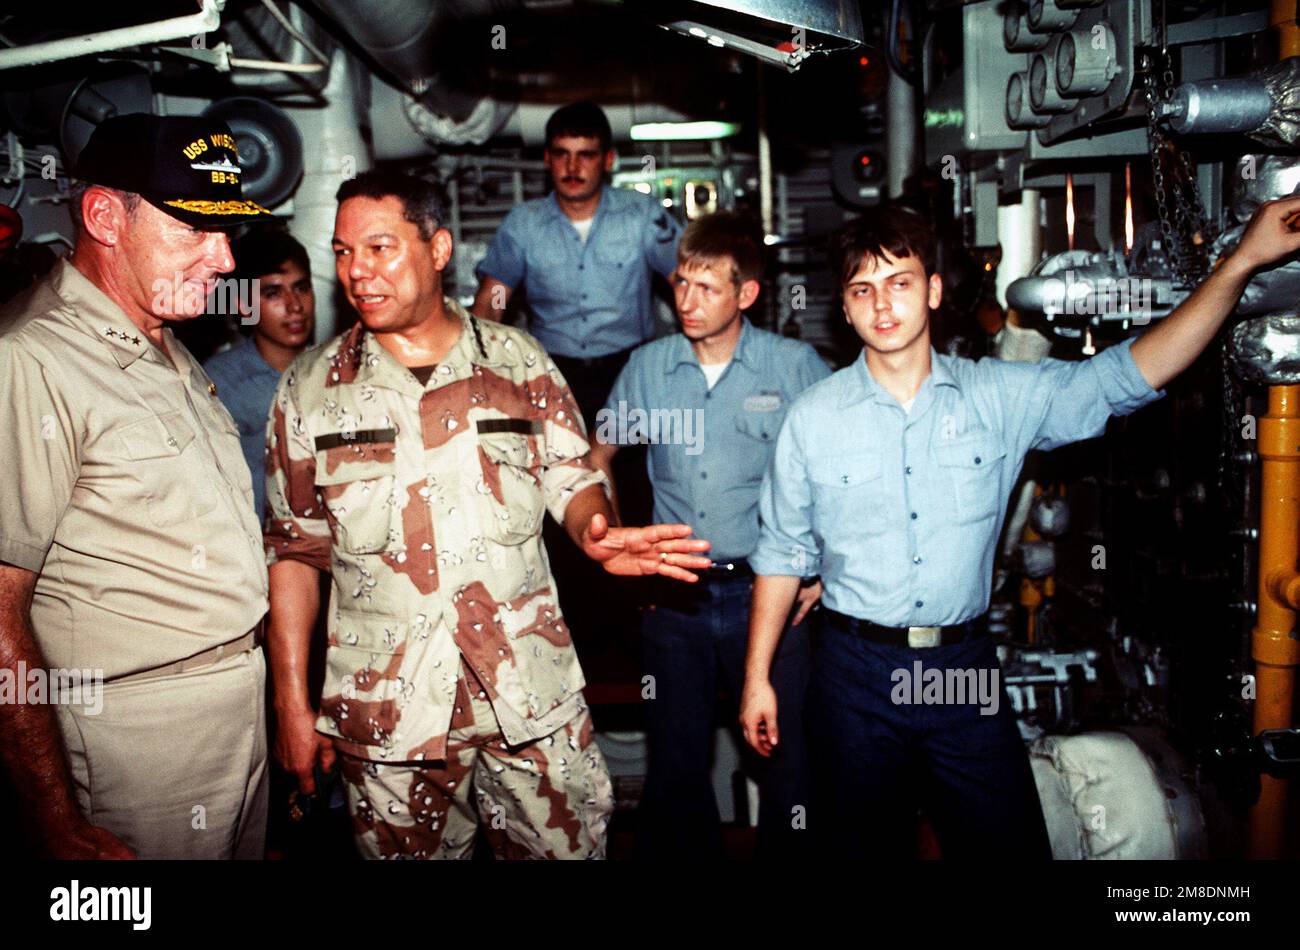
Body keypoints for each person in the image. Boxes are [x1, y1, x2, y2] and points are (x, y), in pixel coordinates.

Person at [740, 199, 1300, 859]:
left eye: (900, 282)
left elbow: (1129, 374)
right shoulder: (812, 419)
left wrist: (1239, 265)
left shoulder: (1000, 397)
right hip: (855, 673)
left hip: (961, 669)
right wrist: (757, 677)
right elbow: (781, 555)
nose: (882, 304)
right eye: (863, 289)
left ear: (934, 290)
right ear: (844, 305)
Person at [264, 169, 711, 859]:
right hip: (389, 717)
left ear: (438, 249)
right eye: (344, 253)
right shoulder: (310, 390)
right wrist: (292, 706)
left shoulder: (518, 363)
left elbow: (572, 475)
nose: (358, 272)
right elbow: (294, 552)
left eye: (379, 248)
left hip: (527, 695)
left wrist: (597, 531)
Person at [0, 113, 274, 859]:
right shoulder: (32, 360)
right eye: (193, 229)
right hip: (139, 736)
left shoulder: (163, 341)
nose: (223, 259)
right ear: (102, 217)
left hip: (234, 708)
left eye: (227, 233)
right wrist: (52, 817)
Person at [591, 212, 829, 858]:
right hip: (676, 597)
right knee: (674, 766)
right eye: (680, 284)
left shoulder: (793, 366)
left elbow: (845, 471)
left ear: (746, 293)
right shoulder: (648, 368)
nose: (686, 302)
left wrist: (825, 570)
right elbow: (597, 457)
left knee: (786, 760)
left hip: (769, 594)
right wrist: (616, 540)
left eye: (706, 288)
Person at [470, 100, 681, 427]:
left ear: (608, 160)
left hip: (629, 371)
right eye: (561, 154)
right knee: (560, 472)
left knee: (632, 473)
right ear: (546, 159)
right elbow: (493, 303)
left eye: (586, 155)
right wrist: (472, 370)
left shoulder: (641, 216)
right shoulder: (524, 225)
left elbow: (686, 281)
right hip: (553, 375)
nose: (572, 167)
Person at [204, 228, 316, 523]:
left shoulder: (340, 371)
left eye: (301, 288)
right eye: (273, 293)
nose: (294, 306)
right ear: (243, 305)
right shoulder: (219, 384)